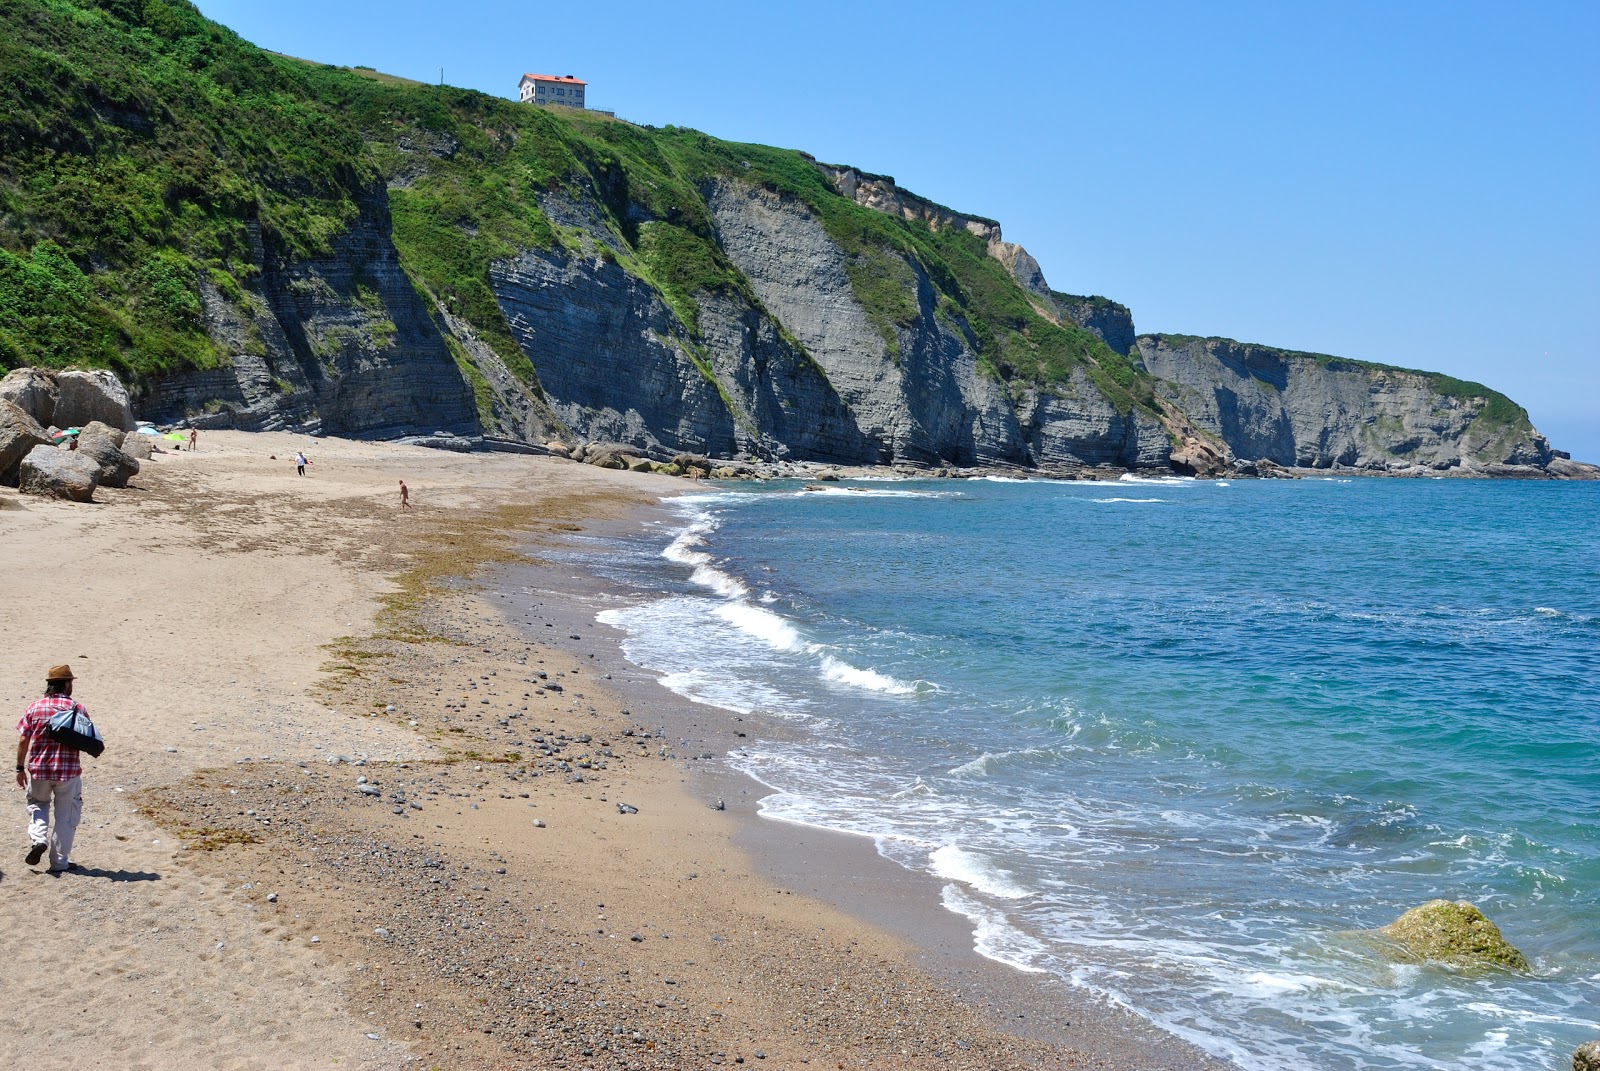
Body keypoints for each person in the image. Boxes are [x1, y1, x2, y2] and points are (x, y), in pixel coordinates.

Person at [17, 664, 86, 873]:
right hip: (68, 772)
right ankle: (59, 863)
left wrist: (19, 768)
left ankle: (39, 839)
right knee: (66, 816)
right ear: (66, 684)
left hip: (39, 770)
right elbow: (86, 737)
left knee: (38, 805)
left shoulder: (34, 707)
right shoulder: (77, 708)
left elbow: (23, 740)